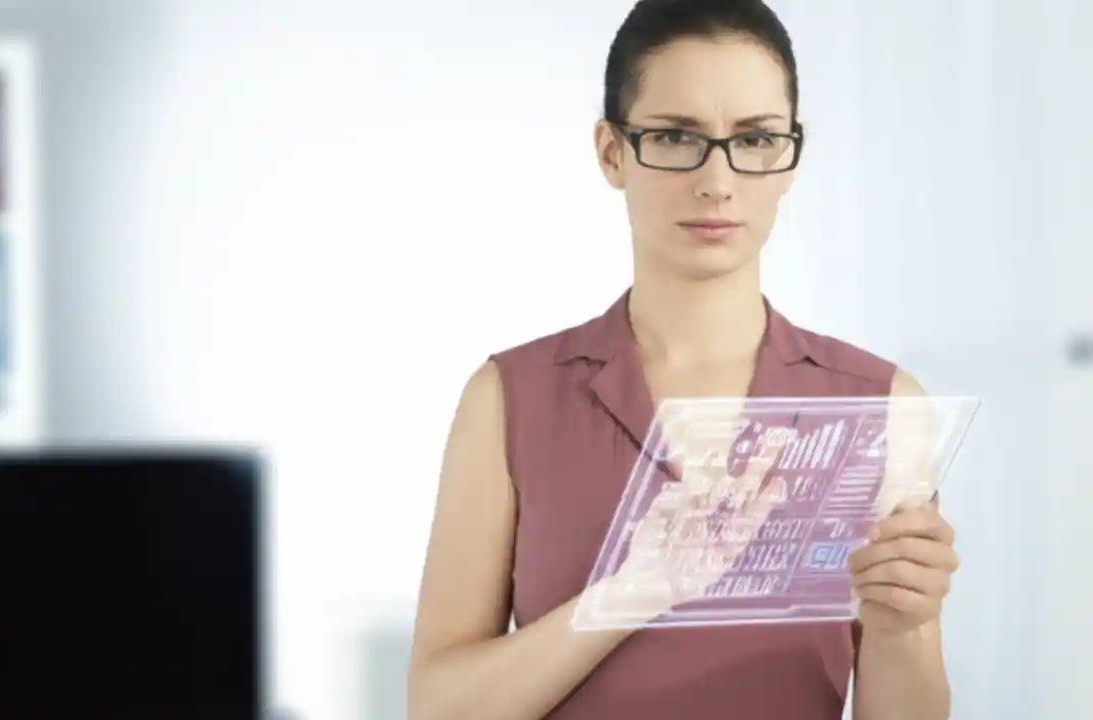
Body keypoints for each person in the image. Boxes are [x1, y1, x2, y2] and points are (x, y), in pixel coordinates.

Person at [406, 0, 961, 718]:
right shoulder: (510, 398)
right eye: (675, 136)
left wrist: (899, 629)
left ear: (793, 155)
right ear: (612, 152)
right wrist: (630, 592)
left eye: (756, 140)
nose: (718, 180)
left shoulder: (879, 407)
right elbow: (438, 707)